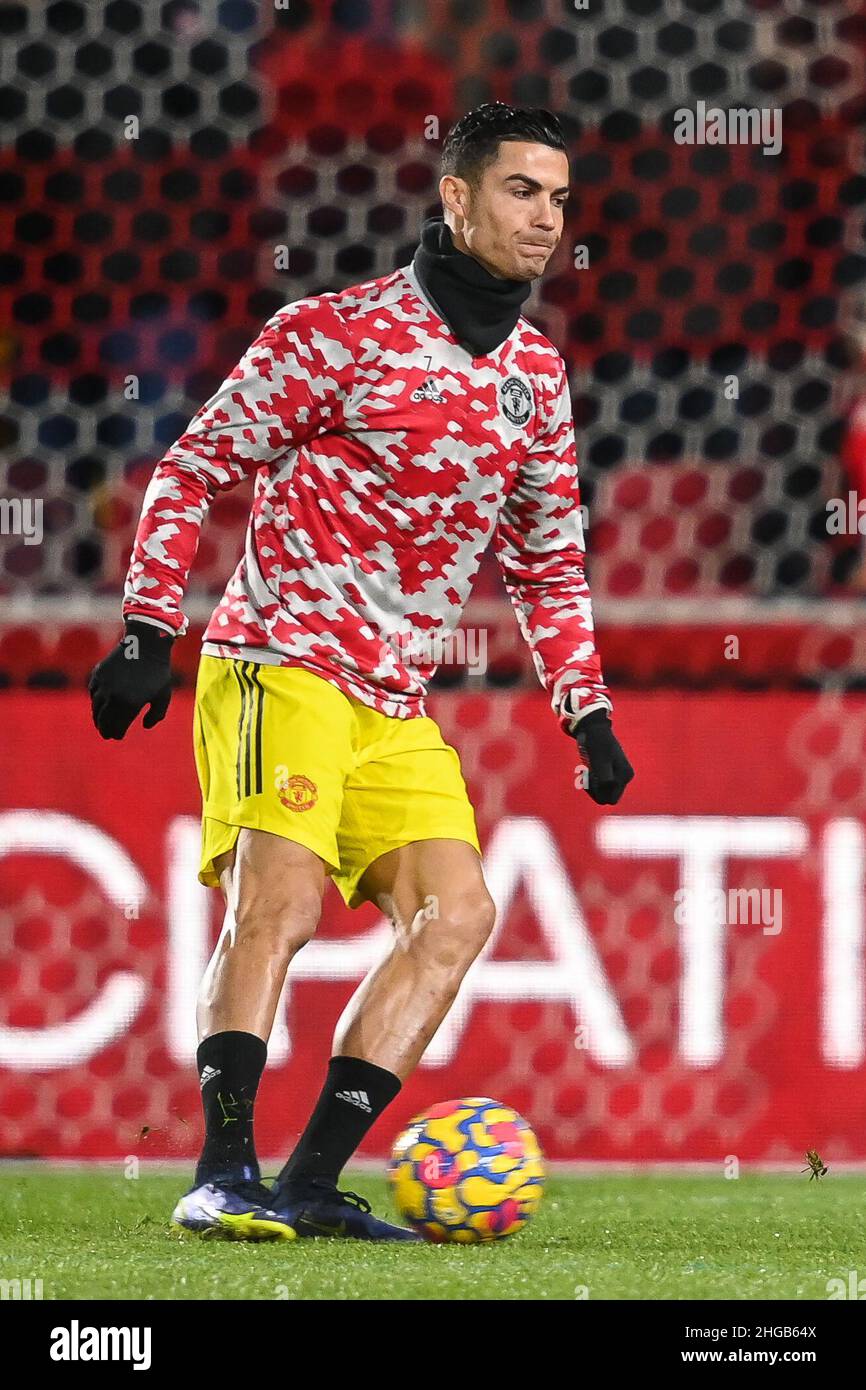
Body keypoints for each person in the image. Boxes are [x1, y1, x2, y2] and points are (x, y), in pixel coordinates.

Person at [88, 102, 634, 1242]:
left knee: (457, 912)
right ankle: (220, 1171)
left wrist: (584, 711)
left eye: (561, 199)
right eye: (522, 191)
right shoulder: (331, 334)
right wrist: (148, 631)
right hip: (276, 659)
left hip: (393, 698)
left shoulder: (535, 375)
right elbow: (191, 470)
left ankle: (306, 1185)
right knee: (277, 905)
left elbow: (546, 561)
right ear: (455, 196)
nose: (548, 220)